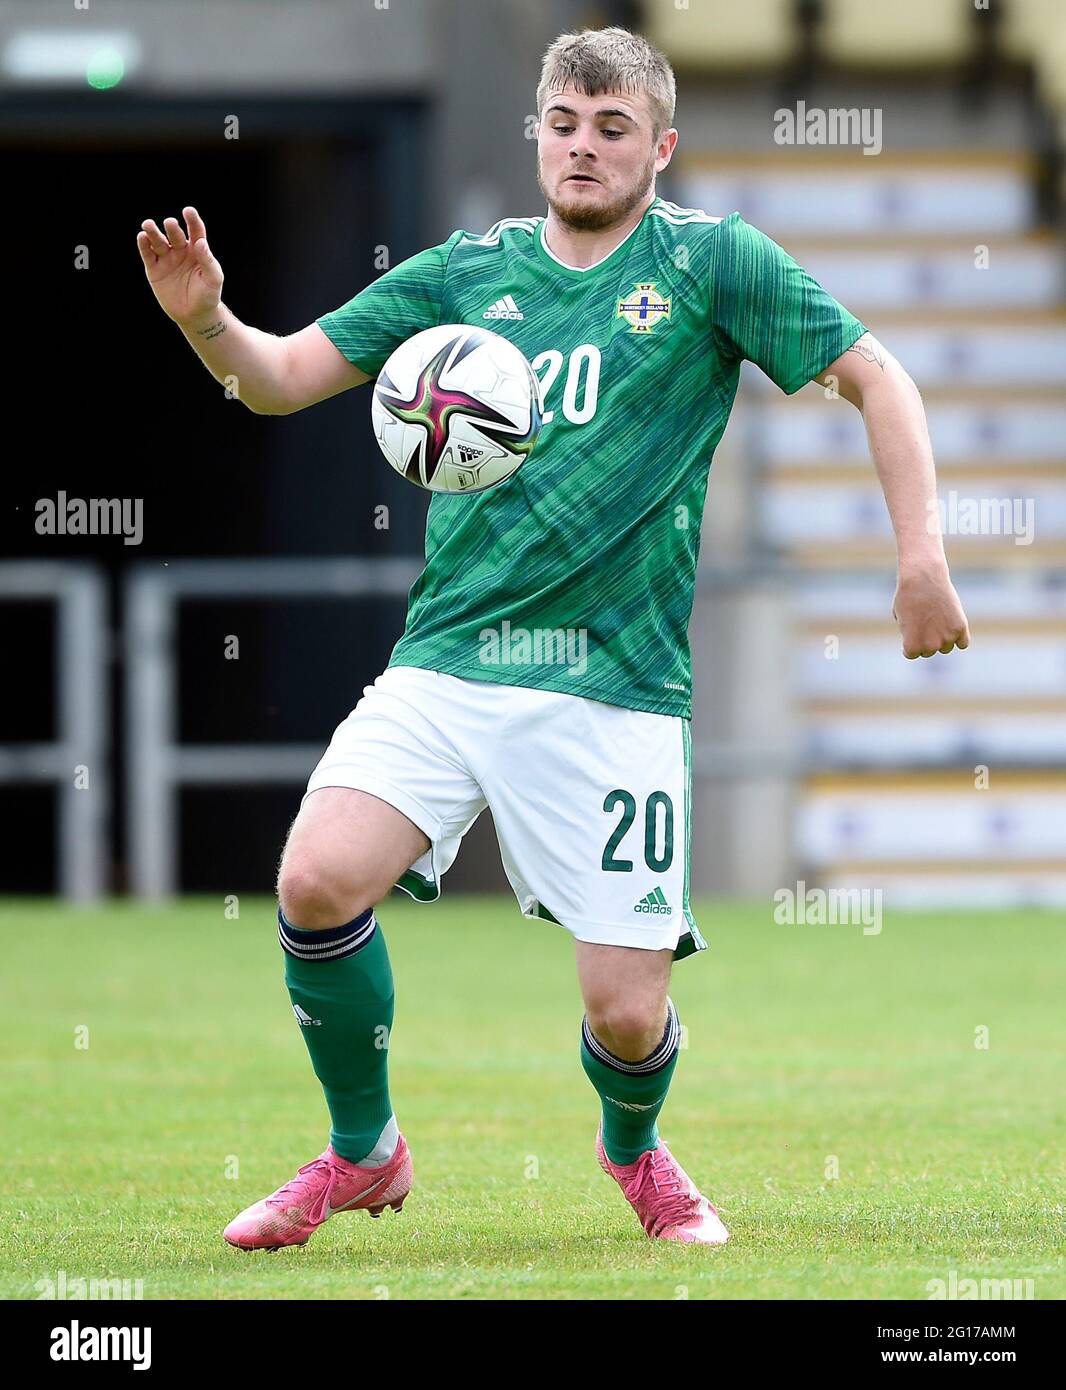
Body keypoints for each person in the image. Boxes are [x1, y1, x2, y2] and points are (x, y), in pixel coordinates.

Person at [137, 26, 970, 1250]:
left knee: (626, 1015)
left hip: (617, 686)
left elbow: (878, 376)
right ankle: (361, 1149)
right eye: (564, 124)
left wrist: (920, 555)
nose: (582, 148)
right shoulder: (459, 276)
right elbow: (276, 376)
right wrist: (208, 322)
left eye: (612, 128)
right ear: (538, 131)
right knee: (315, 879)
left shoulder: (711, 265)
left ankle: (633, 1150)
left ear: (660, 145)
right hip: (450, 660)